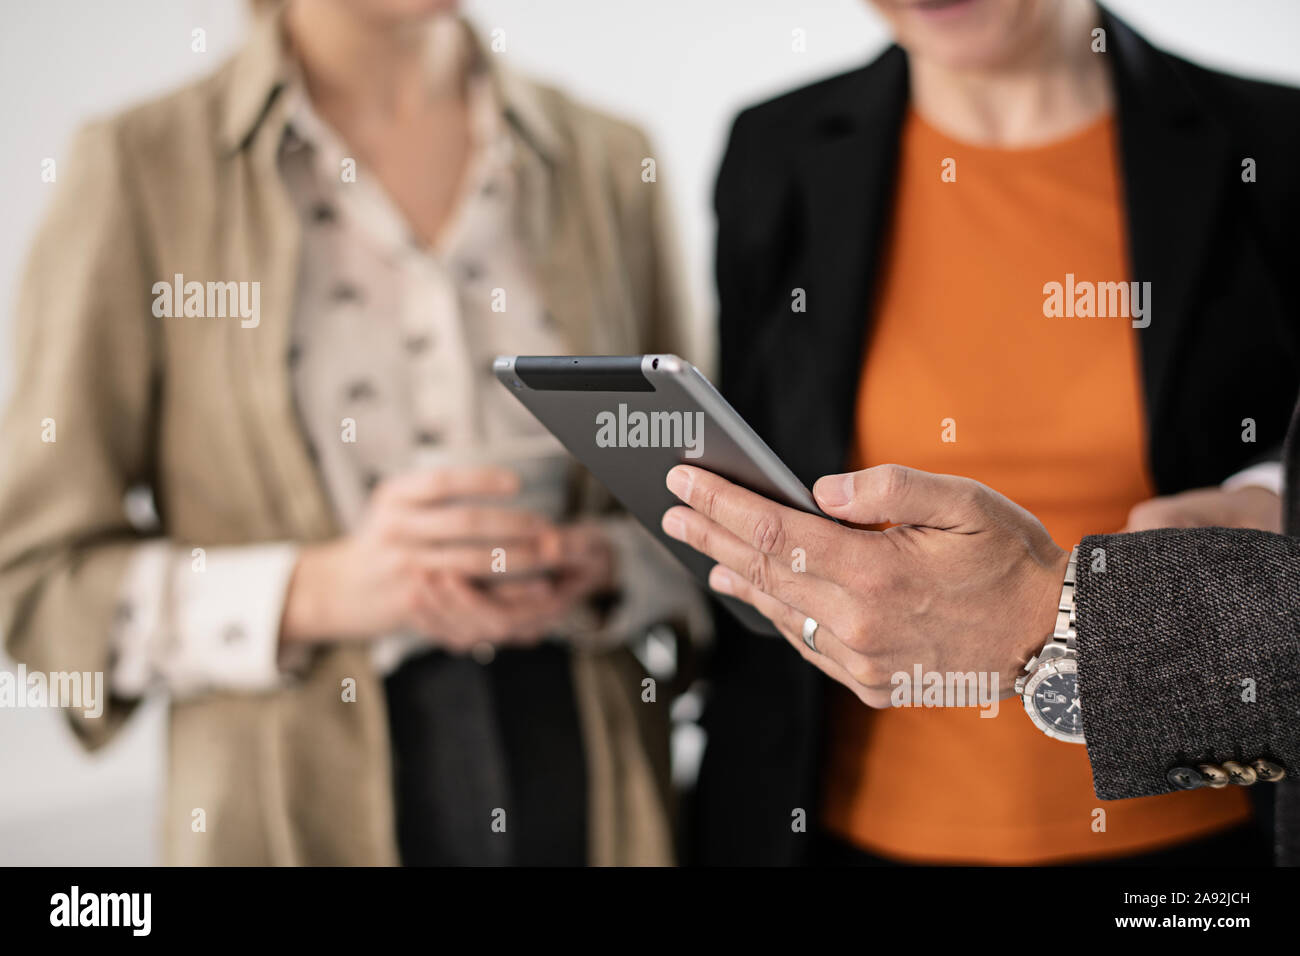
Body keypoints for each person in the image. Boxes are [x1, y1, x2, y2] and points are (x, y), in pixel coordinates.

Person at [0, 0, 707, 865]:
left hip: (594, 785)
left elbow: (714, 514)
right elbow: (33, 577)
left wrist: (600, 567)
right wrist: (320, 591)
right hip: (287, 809)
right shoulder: (142, 166)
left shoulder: (608, 156)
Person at [689, 0, 1300, 865]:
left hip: (1200, 825)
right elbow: (755, 445)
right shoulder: (775, 146)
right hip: (836, 822)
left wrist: (1265, 496)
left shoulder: (1274, 143)